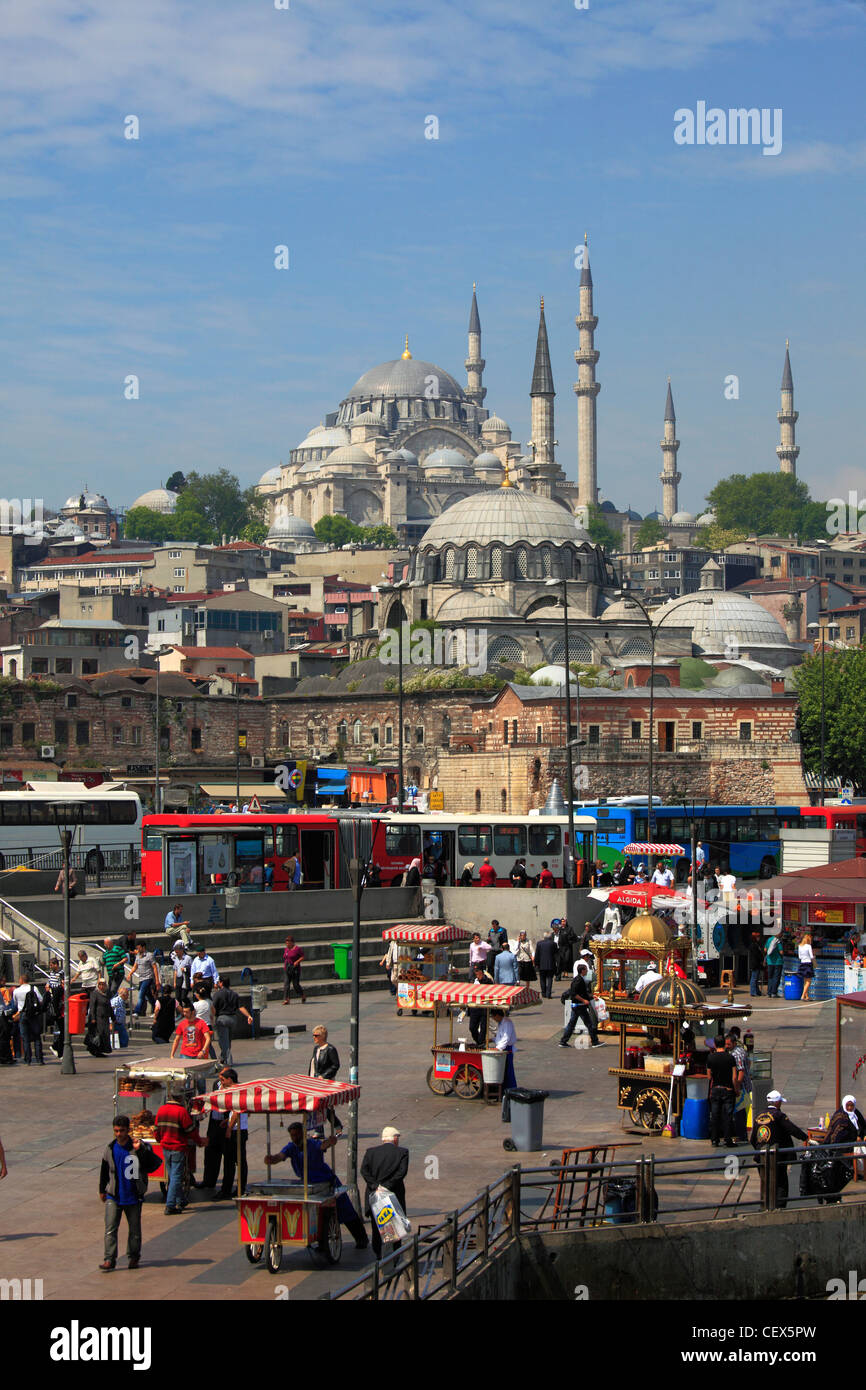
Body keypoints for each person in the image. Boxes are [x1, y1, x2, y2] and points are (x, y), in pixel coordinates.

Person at [268, 1124, 368, 1249]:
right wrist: (272, 1159)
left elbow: (322, 1146)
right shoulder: (290, 1147)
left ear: (303, 1134)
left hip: (326, 1181)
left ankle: (361, 1238)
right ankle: (322, 1242)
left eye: (297, 1134)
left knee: (345, 1208)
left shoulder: (312, 1143)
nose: (295, 1138)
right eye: (293, 1135)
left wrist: (330, 1142)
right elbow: (280, 1156)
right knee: (317, 1214)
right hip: (308, 1185)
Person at [98, 1115, 161, 1270]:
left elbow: (153, 1164)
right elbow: (104, 1170)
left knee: (134, 1230)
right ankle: (109, 1259)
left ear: (128, 1130)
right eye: (116, 1131)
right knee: (110, 1229)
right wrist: (102, 1189)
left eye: (122, 1131)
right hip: (114, 1195)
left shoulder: (137, 1147)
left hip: (133, 1196)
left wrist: (142, 1151)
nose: (119, 1134)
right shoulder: (110, 1148)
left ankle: (133, 1257)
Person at [750, 1090, 807, 1209]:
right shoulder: (779, 1115)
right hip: (777, 1156)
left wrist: (760, 1149)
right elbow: (792, 1129)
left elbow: (752, 1139)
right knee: (781, 1182)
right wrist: (805, 1137)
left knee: (765, 1182)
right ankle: (780, 1206)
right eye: (780, 1101)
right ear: (777, 1103)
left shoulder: (758, 1116)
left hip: (761, 1155)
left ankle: (765, 1205)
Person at [361, 1126, 410, 1259]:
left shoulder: (370, 1152)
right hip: (394, 1195)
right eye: (397, 1138)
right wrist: (387, 1186)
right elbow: (401, 1173)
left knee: (377, 1227)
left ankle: (378, 1255)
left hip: (374, 1196)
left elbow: (364, 1171)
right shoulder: (402, 1152)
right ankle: (394, 1256)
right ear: (394, 1138)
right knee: (396, 1227)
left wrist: (375, 1185)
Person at [154, 1088, 200, 1215]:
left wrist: (161, 1140)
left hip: (165, 1148)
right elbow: (190, 1130)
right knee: (176, 1177)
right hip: (177, 1148)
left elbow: (156, 1130)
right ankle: (170, 1205)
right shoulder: (181, 1111)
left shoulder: (161, 1109)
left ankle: (181, 1199)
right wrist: (200, 1141)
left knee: (173, 1176)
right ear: (181, 1098)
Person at [211, 975, 252, 1066]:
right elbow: (240, 1007)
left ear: (221, 983)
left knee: (223, 1042)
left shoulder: (217, 994)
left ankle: (229, 1061)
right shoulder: (234, 994)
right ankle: (222, 1057)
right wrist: (248, 1016)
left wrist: (212, 1018)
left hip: (222, 1019)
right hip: (233, 1019)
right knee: (228, 1040)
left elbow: (213, 1007)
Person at [707, 1034, 738, 1147]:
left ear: (715, 1044)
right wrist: (736, 1089)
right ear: (724, 1043)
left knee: (715, 1115)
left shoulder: (711, 1057)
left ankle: (714, 1139)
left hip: (716, 1089)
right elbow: (734, 1077)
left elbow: (709, 1076)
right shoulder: (730, 1058)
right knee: (728, 1116)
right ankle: (727, 1139)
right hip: (728, 1090)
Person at [559, 964, 601, 1047]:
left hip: (577, 1006)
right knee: (589, 1023)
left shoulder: (579, 979)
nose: (587, 971)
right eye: (585, 970)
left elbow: (583, 993)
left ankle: (563, 1041)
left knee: (571, 1024)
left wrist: (591, 996)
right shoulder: (578, 980)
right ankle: (595, 1041)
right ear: (582, 971)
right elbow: (574, 993)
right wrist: (584, 1000)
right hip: (579, 1006)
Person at [490, 1008, 518, 1118]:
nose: (493, 1018)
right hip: (503, 1048)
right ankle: (505, 1091)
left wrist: (498, 1049)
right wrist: (492, 1040)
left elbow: (505, 1038)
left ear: (497, 1015)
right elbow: (499, 1036)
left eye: (493, 1016)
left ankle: (511, 1091)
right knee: (504, 1072)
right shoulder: (502, 1023)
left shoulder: (507, 1023)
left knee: (508, 1072)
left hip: (507, 1050)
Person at [13, 974, 45, 1065]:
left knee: (25, 1038)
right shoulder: (33, 988)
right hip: (33, 1015)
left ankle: (28, 1060)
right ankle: (39, 1059)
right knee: (37, 1037)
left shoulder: (16, 991)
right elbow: (40, 1000)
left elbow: (15, 1003)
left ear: (21, 980)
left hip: (22, 1014)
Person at [126, 942, 157, 1016]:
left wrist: (157, 980)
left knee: (141, 994)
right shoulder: (138, 956)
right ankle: (156, 1008)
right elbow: (135, 966)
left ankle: (137, 1011)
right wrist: (130, 973)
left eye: (139, 948)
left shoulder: (149, 955)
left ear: (143, 947)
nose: (138, 949)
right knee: (148, 995)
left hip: (148, 977)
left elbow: (154, 967)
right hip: (141, 978)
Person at [467, 962, 493, 1043]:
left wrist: (482, 980)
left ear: (482, 971)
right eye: (475, 971)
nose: (476, 973)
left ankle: (481, 1042)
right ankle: (479, 1042)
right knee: (472, 1027)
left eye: (478, 971)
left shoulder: (488, 981)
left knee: (483, 1028)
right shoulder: (473, 981)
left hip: (484, 1008)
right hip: (474, 1007)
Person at [86, 980, 113, 1056]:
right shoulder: (95, 994)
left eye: (103, 985)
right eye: (100, 985)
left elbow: (109, 1006)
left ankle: (101, 1050)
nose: (102, 986)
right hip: (98, 1018)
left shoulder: (107, 994)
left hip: (105, 1018)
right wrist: (93, 1018)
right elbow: (92, 1007)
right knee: (99, 1034)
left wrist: (113, 1017)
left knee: (105, 1034)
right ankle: (96, 1050)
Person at [533, 928, 558, 999]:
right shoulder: (553, 944)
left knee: (542, 979)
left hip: (542, 964)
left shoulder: (539, 943)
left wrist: (536, 963)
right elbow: (556, 954)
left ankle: (543, 992)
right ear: (550, 937)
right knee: (550, 979)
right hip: (551, 964)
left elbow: (537, 954)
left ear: (544, 937)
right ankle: (549, 994)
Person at [282, 935, 306, 1005]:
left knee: (296, 985)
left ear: (292, 943)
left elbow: (302, 957)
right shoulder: (286, 949)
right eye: (286, 943)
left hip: (295, 969)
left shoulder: (297, 949)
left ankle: (302, 995)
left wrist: (297, 962)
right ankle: (286, 999)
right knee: (286, 984)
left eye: (288, 943)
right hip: (287, 968)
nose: (287, 945)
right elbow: (285, 957)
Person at [765, 927, 784, 998]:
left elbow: (765, 949)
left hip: (770, 962)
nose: (781, 934)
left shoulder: (769, 939)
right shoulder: (778, 941)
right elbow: (781, 952)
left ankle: (768, 992)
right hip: (778, 962)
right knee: (776, 977)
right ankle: (774, 992)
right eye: (781, 933)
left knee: (770, 977)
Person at [798, 932, 815, 1002]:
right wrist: (814, 957)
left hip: (802, 964)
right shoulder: (808, 946)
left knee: (805, 981)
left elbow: (799, 956)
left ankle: (807, 996)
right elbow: (811, 956)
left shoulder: (800, 946)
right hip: (808, 964)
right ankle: (802, 995)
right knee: (808, 981)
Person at [748, 932, 765, 997]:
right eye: (757, 937)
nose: (759, 938)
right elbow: (757, 955)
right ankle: (753, 992)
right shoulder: (753, 945)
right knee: (754, 978)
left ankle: (757, 991)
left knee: (756, 979)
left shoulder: (757, 944)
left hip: (757, 964)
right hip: (755, 964)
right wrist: (761, 959)